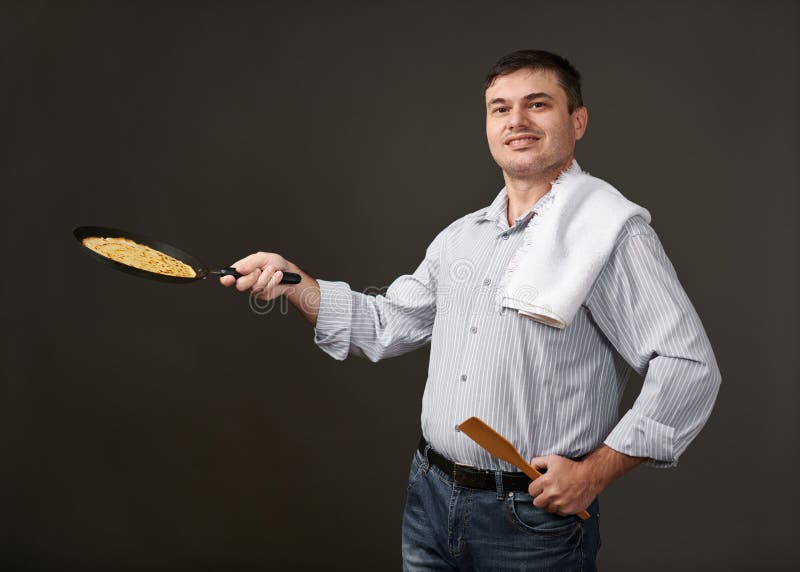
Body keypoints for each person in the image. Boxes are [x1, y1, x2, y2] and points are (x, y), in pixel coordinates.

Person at [220, 49, 721, 571]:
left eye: (537, 104)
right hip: (429, 500)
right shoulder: (460, 239)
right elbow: (385, 325)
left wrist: (594, 473)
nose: (517, 121)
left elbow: (688, 367)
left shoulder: (611, 235)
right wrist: (294, 280)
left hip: (530, 521)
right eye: (500, 108)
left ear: (578, 120)